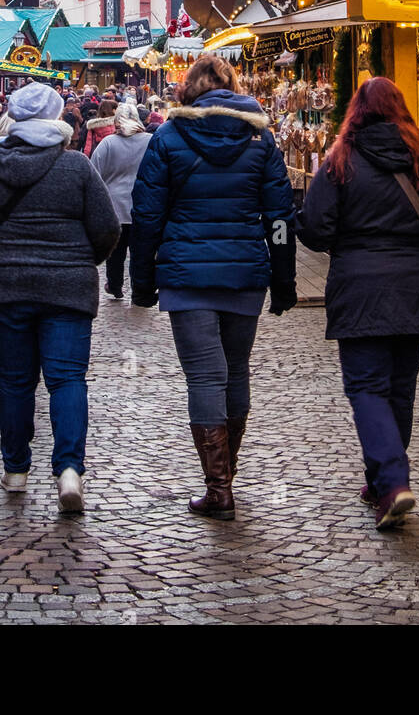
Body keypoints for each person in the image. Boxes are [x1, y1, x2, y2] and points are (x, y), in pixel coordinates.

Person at [298, 76, 419, 530]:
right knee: (400, 389)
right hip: (414, 285)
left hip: (358, 287)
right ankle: (381, 480)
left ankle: (393, 480)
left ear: (356, 112)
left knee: (367, 388)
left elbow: (316, 230)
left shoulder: (341, 159)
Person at [130, 53, 296, 521]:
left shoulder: (167, 137)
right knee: (236, 372)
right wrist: (283, 280)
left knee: (206, 377)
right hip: (245, 274)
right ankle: (227, 478)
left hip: (186, 277)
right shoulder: (260, 138)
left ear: (190, 89)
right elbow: (280, 217)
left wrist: (143, 282)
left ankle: (218, 488)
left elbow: (146, 216)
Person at [0, 83, 120, 513]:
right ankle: (69, 470)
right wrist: (85, 259)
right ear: (55, 117)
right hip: (67, 289)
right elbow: (107, 228)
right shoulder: (77, 166)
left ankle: (15, 469)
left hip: (6, 287)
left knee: (14, 381)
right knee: (67, 380)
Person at [91, 100, 152, 300]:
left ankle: (115, 285)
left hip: (115, 205)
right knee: (139, 251)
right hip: (143, 203)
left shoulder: (108, 143)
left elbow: (95, 173)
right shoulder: (150, 141)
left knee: (115, 252)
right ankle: (138, 288)